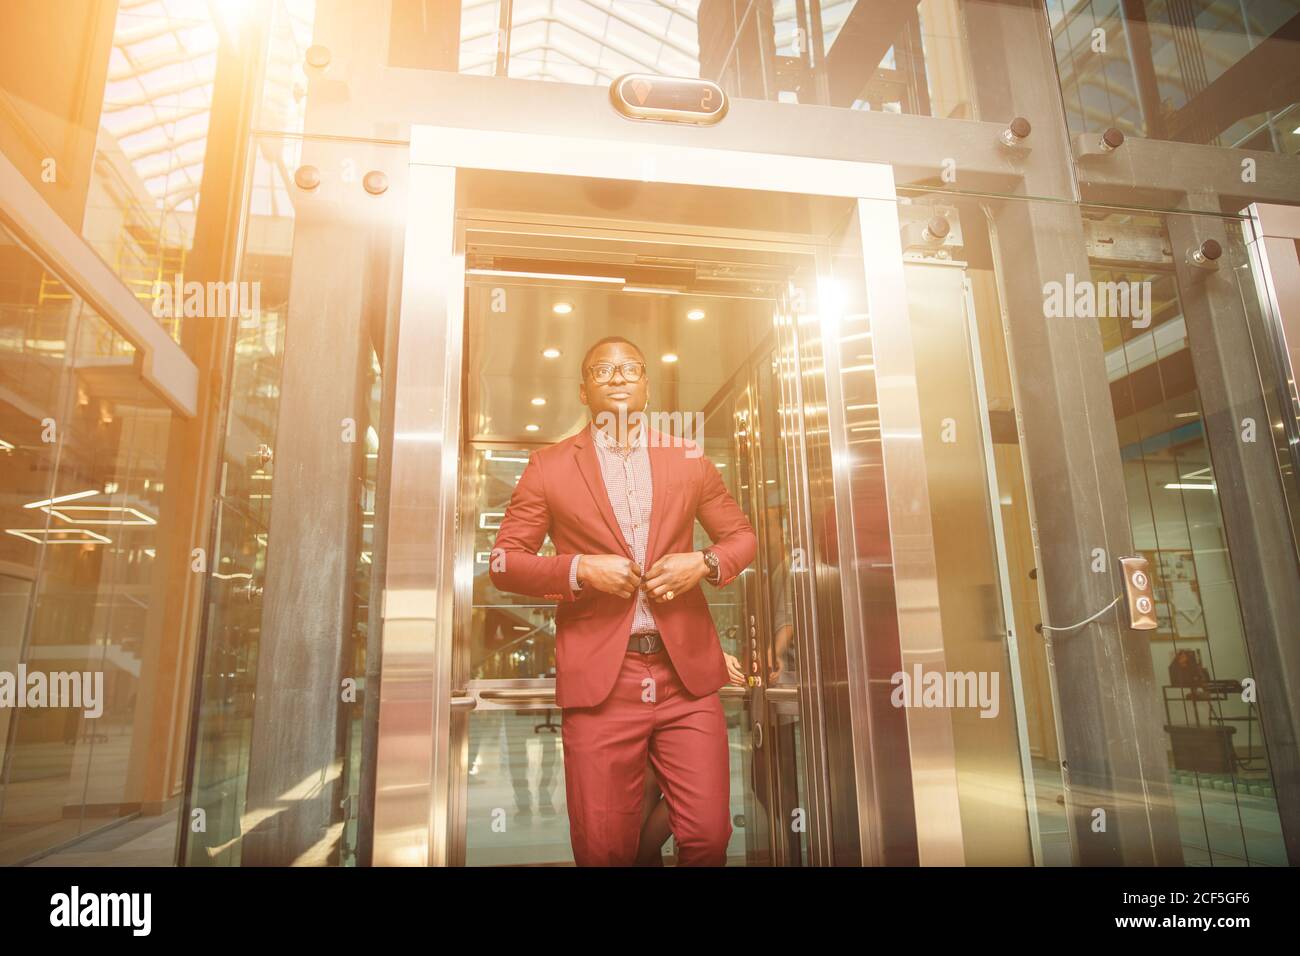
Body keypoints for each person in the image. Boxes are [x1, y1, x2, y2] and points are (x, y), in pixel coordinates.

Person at [489, 335, 757, 866]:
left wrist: (701, 563)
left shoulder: (687, 456)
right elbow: (504, 562)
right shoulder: (549, 466)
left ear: (647, 385)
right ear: (583, 391)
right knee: (603, 846)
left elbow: (742, 537)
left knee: (707, 834)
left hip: (686, 678)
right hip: (602, 681)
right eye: (601, 370)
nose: (616, 376)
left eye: (629, 367)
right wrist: (577, 569)